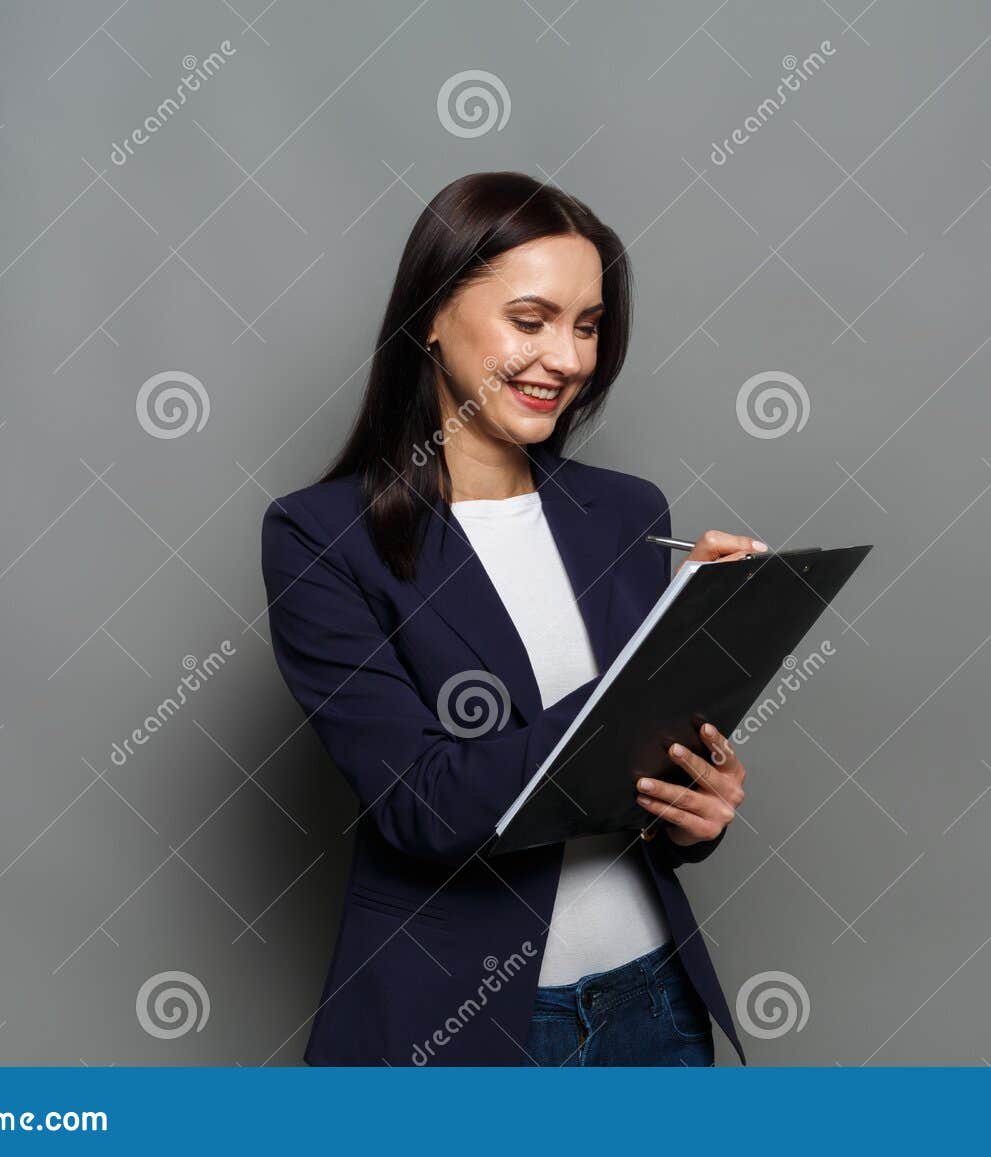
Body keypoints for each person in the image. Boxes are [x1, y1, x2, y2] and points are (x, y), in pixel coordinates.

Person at [261, 171, 758, 1066]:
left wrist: (695, 809)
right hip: (466, 1025)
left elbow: (631, 778)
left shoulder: (626, 513)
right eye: (529, 320)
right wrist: (648, 674)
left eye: (588, 325)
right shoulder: (321, 538)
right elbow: (425, 803)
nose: (566, 358)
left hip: (656, 1000)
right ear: (432, 318)